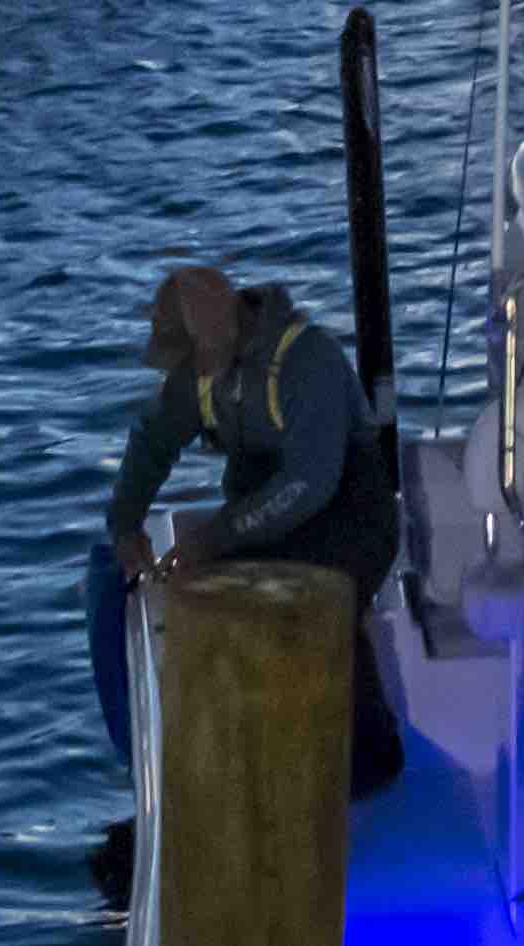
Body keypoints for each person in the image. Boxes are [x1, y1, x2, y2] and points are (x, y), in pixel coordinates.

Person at [107, 260, 402, 794]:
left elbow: (309, 482)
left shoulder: (306, 359)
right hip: (266, 521)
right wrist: (125, 524)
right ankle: (239, 758)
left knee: (310, 599)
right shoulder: (195, 377)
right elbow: (151, 442)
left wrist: (216, 537)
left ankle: (369, 758)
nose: (185, 371)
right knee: (214, 607)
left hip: (352, 517)